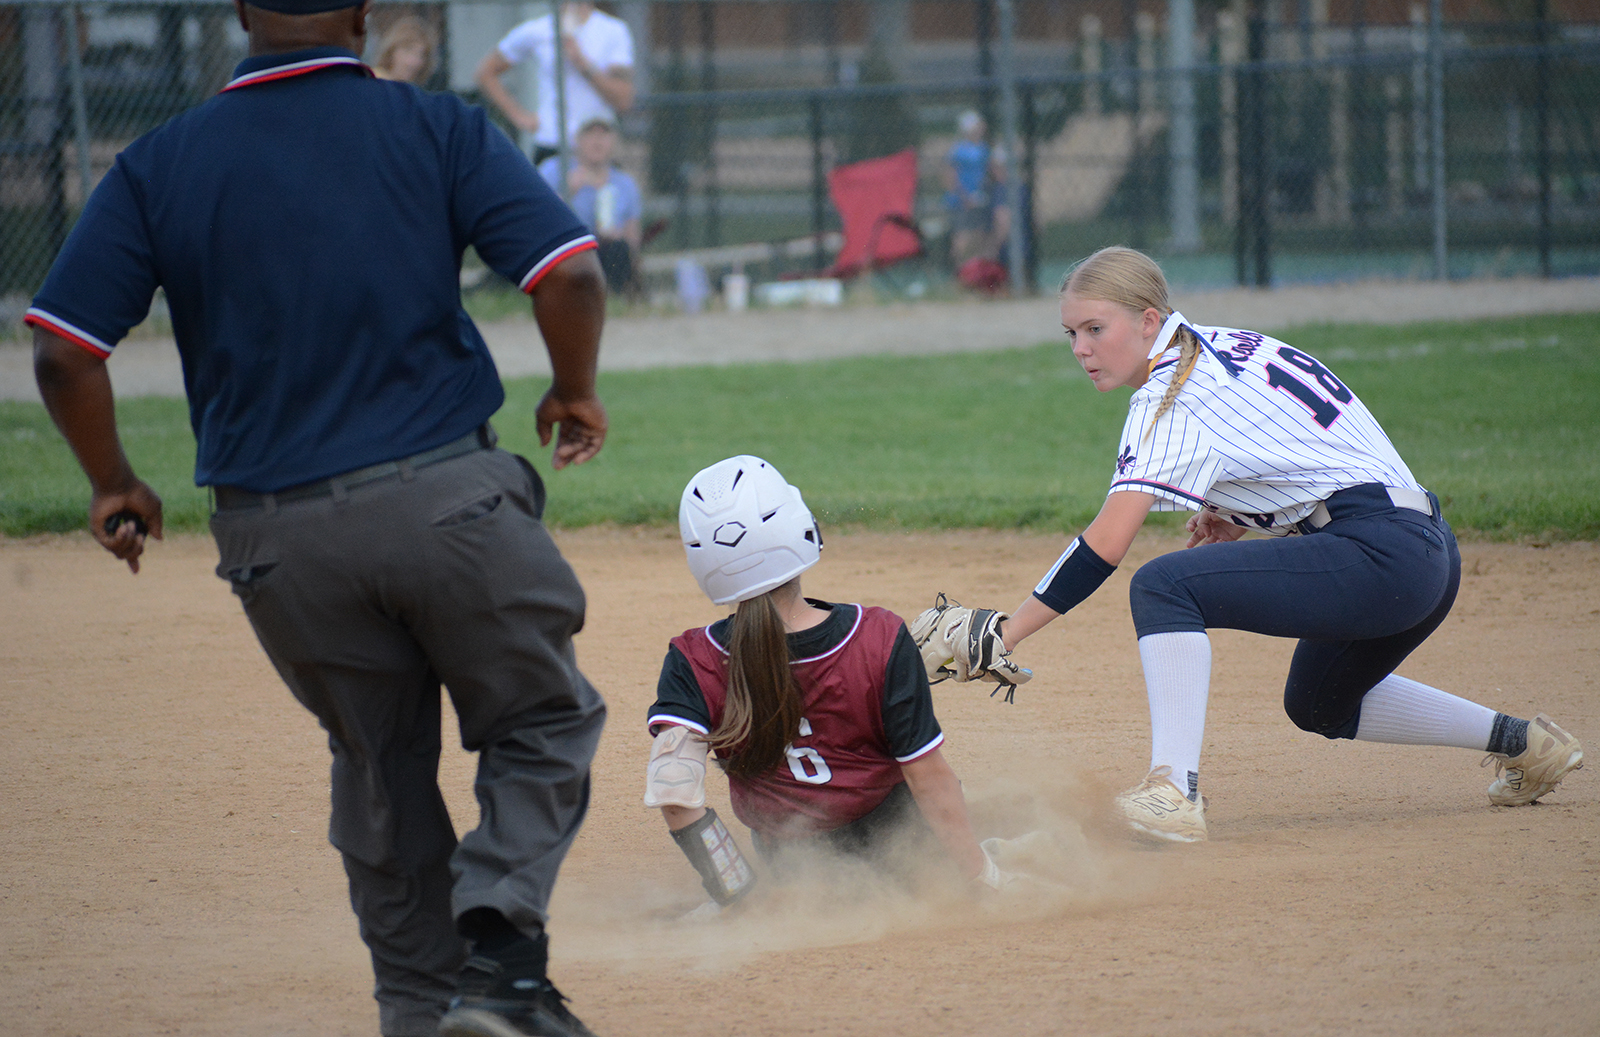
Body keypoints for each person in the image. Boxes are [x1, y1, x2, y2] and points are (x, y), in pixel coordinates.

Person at [27, 2, 611, 1035]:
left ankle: (423, 1013)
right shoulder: (433, 126)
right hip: (447, 499)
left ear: (243, 13)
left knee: (378, 772)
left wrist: (113, 479)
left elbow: (66, 347)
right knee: (541, 716)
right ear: (361, 13)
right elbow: (567, 269)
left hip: (277, 538)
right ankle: (504, 959)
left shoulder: (161, 161)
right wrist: (573, 386)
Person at [982, 246, 1583, 843]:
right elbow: (1299, 450)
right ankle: (1524, 744)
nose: (1081, 349)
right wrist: (1245, 515)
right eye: (1071, 333)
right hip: (1421, 550)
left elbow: (1107, 542)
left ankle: (1172, 790)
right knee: (1320, 704)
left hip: (1379, 555)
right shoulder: (1222, 344)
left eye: (1095, 328)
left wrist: (1004, 633)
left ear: (1147, 321)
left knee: (1164, 585)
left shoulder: (1171, 394)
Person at [644, 456, 1010, 909]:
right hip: (908, 854)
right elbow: (928, 778)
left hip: (795, 870)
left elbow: (674, 796)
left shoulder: (692, 659)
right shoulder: (878, 635)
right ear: (801, 529)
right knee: (995, 828)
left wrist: (740, 896)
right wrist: (979, 876)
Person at [476, 1, 634, 166]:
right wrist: (520, 117)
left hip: (597, 144)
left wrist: (582, 64)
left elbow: (624, 99)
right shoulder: (537, 30)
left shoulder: (614, 30)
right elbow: (486, 73)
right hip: (552, 142)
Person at [539, 116, 641, 295]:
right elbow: (538, 217)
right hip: (565, 248)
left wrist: (619, 236)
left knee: (618, 249)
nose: (597, 141)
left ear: (614, 141)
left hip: (603, 250)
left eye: (604, 134)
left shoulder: (624, 183)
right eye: (590, 134)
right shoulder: (554, 170)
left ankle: (613, 298)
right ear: (578, 140)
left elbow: (633, 236)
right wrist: (568, 191)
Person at [943, 109, 991, 266]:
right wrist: (964, 197)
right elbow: (950, 176)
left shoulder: (983, 148)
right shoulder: (958, 150)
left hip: (979, 199)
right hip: (962, 201)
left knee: (980, 235)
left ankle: (975, 270)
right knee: (961, 236)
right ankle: (957, 270)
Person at [371, 14, 436, 84]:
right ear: (392, 50)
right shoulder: (373, 82)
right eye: (408, 51)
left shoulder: (408, 89)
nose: (415, 62)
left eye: (422, 55)